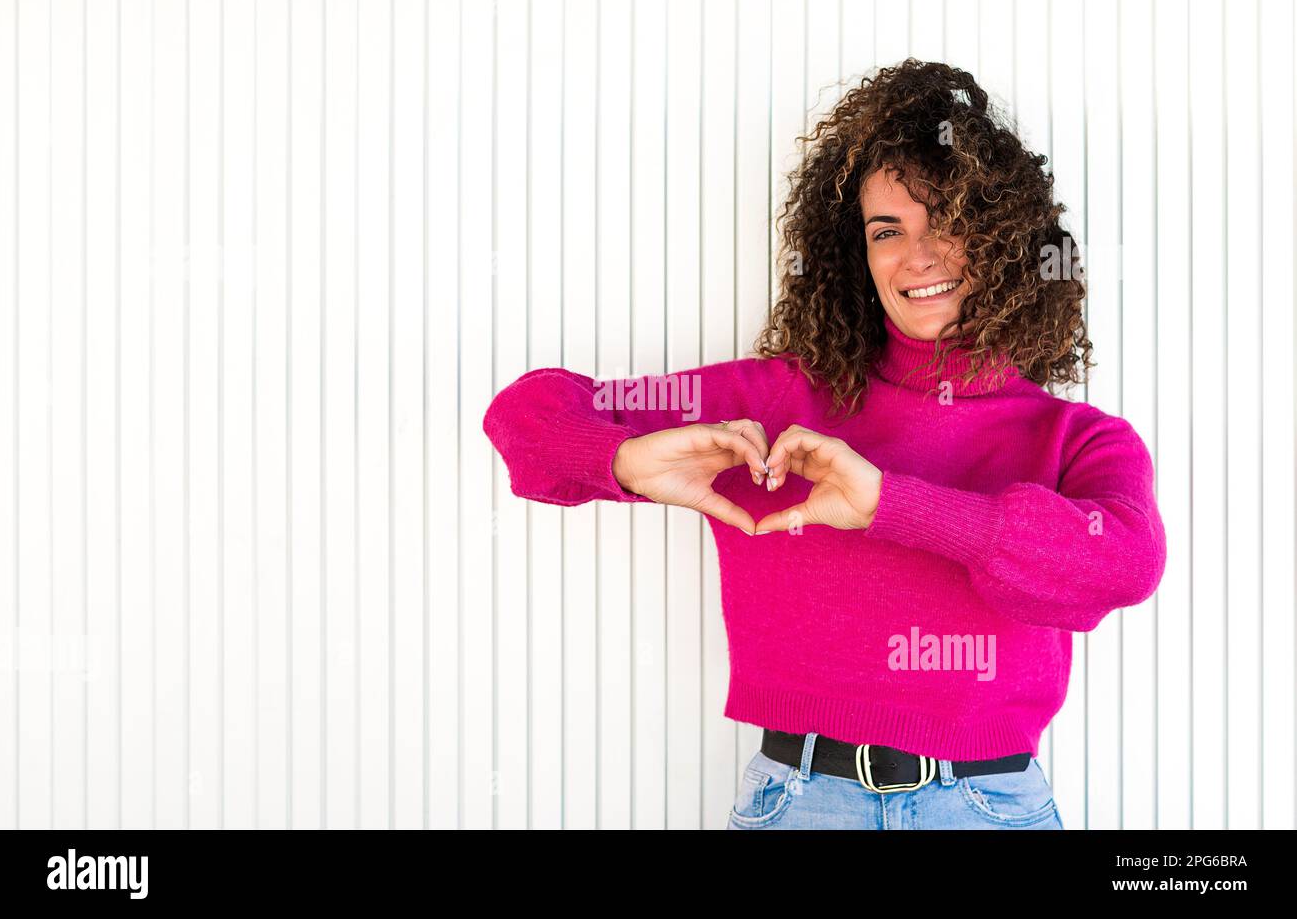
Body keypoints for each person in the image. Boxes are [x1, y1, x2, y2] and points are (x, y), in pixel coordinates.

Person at [481, 58, 1167, 830]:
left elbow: (1126, 564)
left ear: (1006, 240)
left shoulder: (1074, 437)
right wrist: (621, 463)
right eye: (887, 231)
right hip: (802, 801)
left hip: (990, 806)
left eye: (950, 222)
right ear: (856, 255)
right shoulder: (772, 401)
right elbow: (526, 413)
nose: (919, 256)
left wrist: (887, 503)